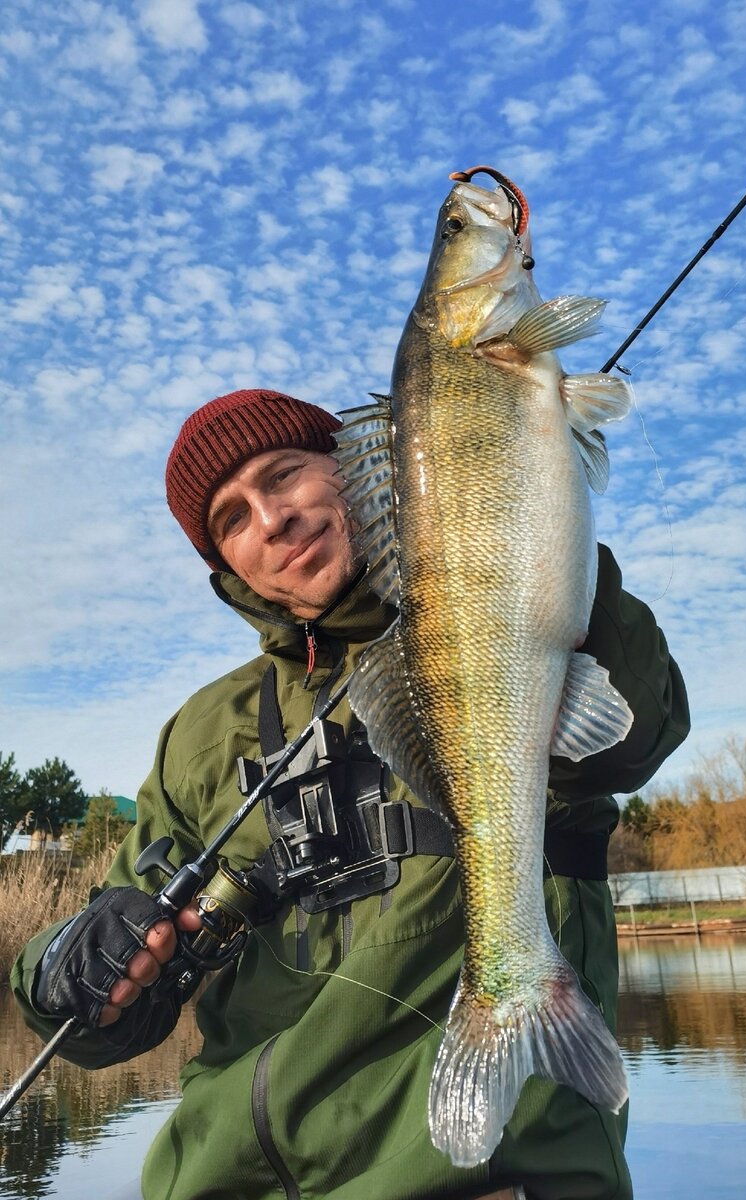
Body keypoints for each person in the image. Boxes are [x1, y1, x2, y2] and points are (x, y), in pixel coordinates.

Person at [12, 388, 690, 1200]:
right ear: (226, 565)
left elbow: (632, 733)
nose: (271, 521)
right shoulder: (198, 735)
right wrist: (63, 968)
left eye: (285, 474)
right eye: (231, 518)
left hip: (477, 1178)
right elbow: (101, 1020)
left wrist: (517, 505)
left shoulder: (514, 612)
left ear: (356, 466)